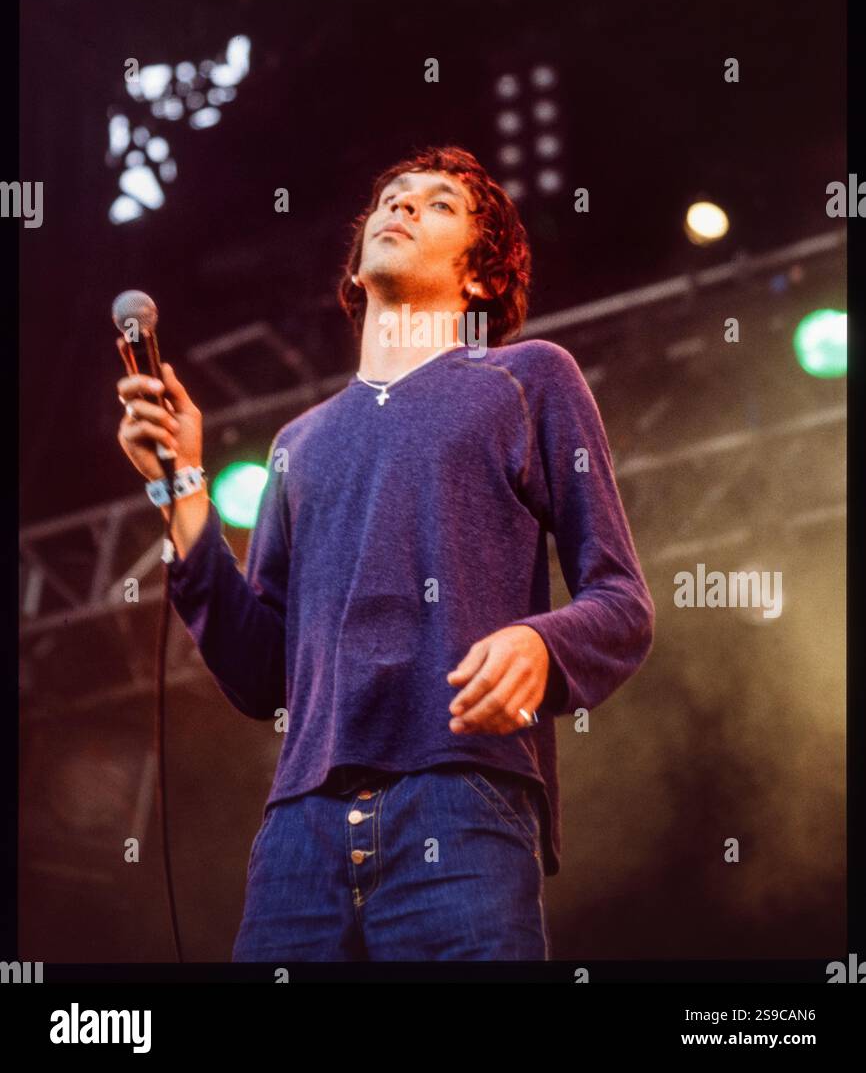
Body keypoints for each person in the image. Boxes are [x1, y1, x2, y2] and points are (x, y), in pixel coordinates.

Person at [116, 144, 655, 961]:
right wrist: (184, 489)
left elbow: (622, 603)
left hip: (464, 801)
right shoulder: (298, 444)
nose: (401, 208)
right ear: (357, 267)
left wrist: (544, 642)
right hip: (299, 830)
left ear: (480, 276)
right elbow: (263, 676)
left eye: (438, 204)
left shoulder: (529, 378)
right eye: (391, 199)